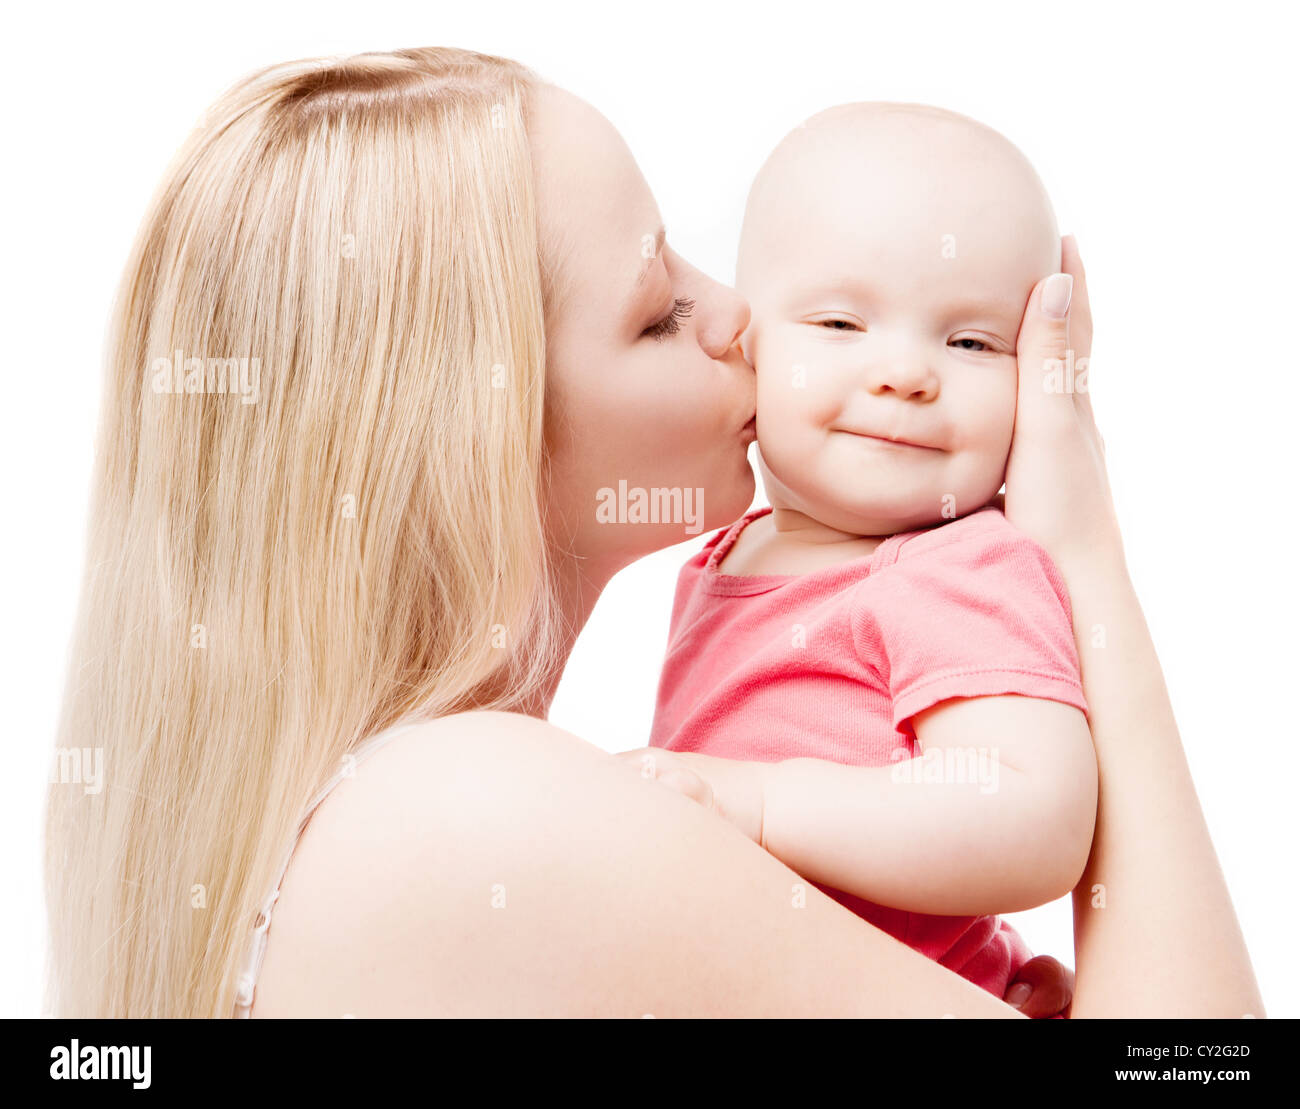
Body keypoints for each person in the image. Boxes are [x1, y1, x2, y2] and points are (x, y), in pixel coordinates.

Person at [43, 46, 1262, 1018]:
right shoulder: (465, 809)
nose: (737, 314)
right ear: (476, 430)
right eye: (657, 307)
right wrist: (1084, 553)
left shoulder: (420, 817)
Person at [635, 103, 1096, 1008]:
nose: (907, 373)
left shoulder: (956, 566)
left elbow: (1033, 817)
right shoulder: (727, 552)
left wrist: (760, 805)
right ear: (746, 339)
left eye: (970, 342)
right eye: (842, 325)